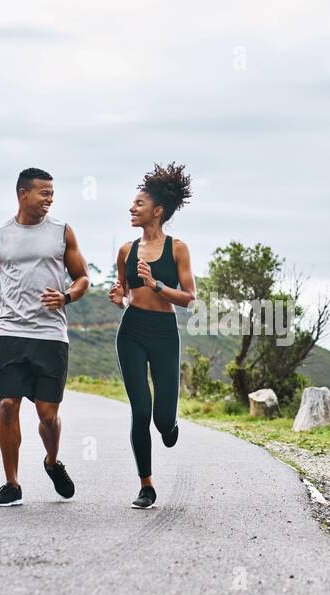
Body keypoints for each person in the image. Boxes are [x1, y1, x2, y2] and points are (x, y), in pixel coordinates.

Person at [0, 167, 90, 507]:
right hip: (10, 331)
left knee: (48, 416)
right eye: (43, 193)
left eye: (52, 194)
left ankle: (51, 461)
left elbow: (83, 278)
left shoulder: (62, 232)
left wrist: (66, 297)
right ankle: (12, 484)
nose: (49, 199)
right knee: (7, 405)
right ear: (23, 194)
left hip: (50, 335)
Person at [107, 163, 196, 509]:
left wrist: (157, 284)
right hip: (131, 330)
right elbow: (126, 294)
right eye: (132, 204)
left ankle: (170, 424)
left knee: (161, 420)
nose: (132, 208)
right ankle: (146, 485)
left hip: (163, 333)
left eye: (139, 204)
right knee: (140, 409)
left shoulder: (177, 249)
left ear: (157, 211)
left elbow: (189, 298)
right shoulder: (126, 251)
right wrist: (121, 299)